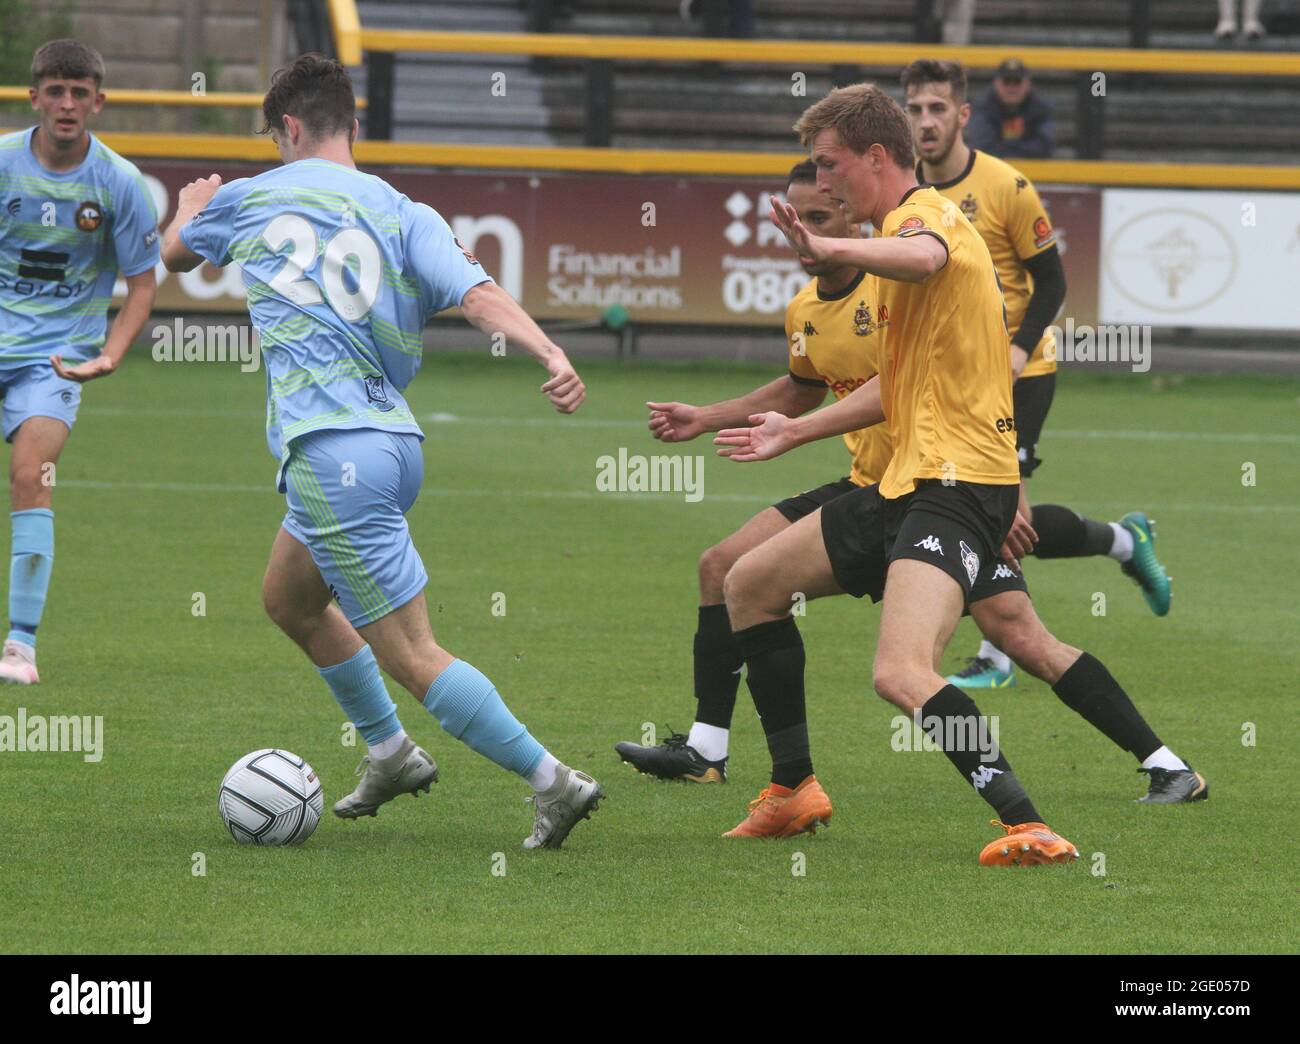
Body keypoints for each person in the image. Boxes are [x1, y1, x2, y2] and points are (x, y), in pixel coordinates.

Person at [161, 54, 602, 849]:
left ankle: (555, 781)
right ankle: (391, 752)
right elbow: (479, 296)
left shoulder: (248, 199)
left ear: (289, 128)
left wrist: (190, 206)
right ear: (352, 125)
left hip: (331, 451)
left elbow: (173, 257)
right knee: (289, 598)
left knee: (412, 652)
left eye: (275, 136)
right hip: (393, 444)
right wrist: (550, 353)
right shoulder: (408, 210)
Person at [614, 161, 889, 785]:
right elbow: (803, 389)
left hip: (929, 491)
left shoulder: (892, 288)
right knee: (721, 566)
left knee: (1019, 632)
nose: (802, 236)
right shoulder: (805, 310)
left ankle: (1158, 759)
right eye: (792, 222)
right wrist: (704, 417)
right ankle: (707, 751)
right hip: (866, 485)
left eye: (817, 219)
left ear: (854, 214)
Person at [902, 58, 1173, 691]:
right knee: (988, 514)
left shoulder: (1007, 186)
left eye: (937, 108)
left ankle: (997, 657)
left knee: (992, 512)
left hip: (1022, 371)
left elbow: (1051, 280)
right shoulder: (907, 194)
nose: (925, 122)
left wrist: (1020, 350)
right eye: (914, 109)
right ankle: (1124, 542)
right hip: (953, 381)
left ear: (963, 114)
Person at [0, 39, 159, 685]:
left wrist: (110, 356)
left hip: (54, 361)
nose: (67, 103)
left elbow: (144, 283)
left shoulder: (118, 182)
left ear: (99, 99)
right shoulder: (4, 163)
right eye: (55, 90)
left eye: (79, 91)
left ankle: (19, 648)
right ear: (34, 96)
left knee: (31, 476)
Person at [965, 58, 1054, 160]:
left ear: (1028, 84)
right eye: (1006, 81)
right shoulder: (983, 107)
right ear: (996, 83)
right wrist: (1023, 150)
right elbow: (983, 147)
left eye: (1017, 81)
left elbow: (1044, 148)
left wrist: (1006, 149)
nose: (1012, 88)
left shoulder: (1040, 108)